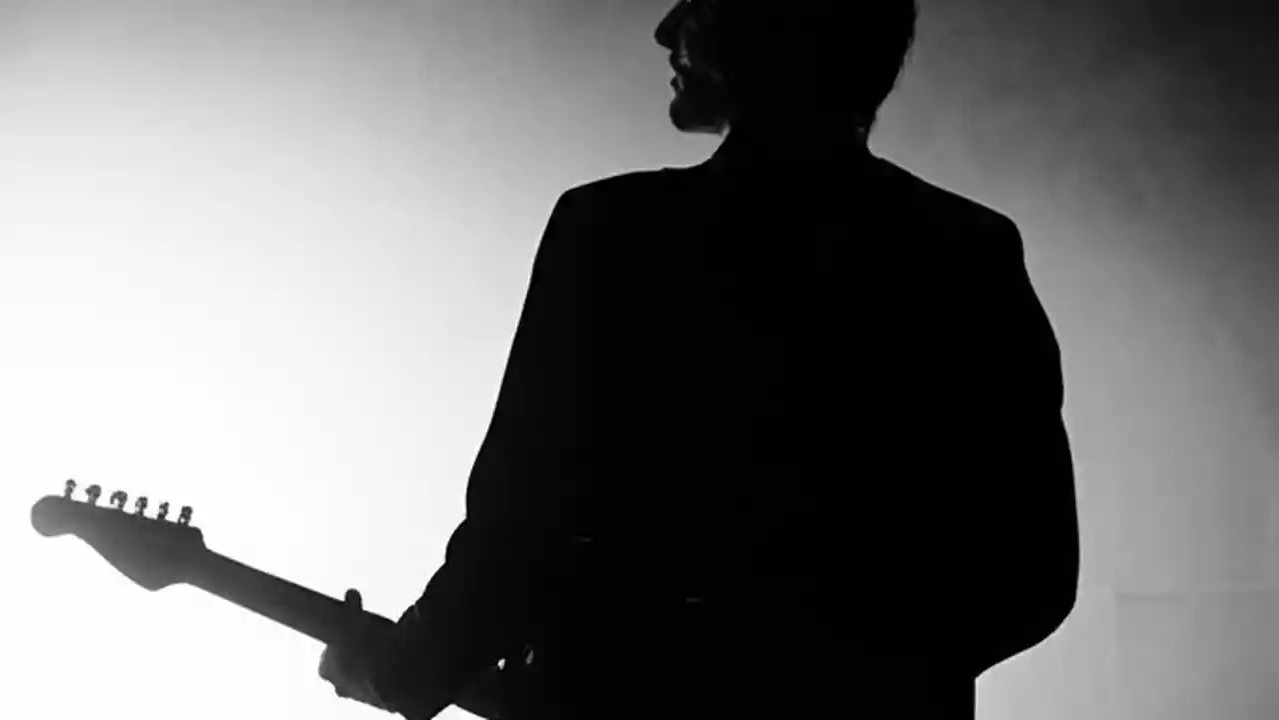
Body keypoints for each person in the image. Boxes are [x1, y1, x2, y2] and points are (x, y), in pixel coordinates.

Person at [319, 1, 1081, 718]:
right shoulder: (967, 251)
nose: (664, 30)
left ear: (752, 28)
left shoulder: (615, 231)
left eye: (694, 1)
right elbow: (1033, 577)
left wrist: (402, 669)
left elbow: (520, 529)